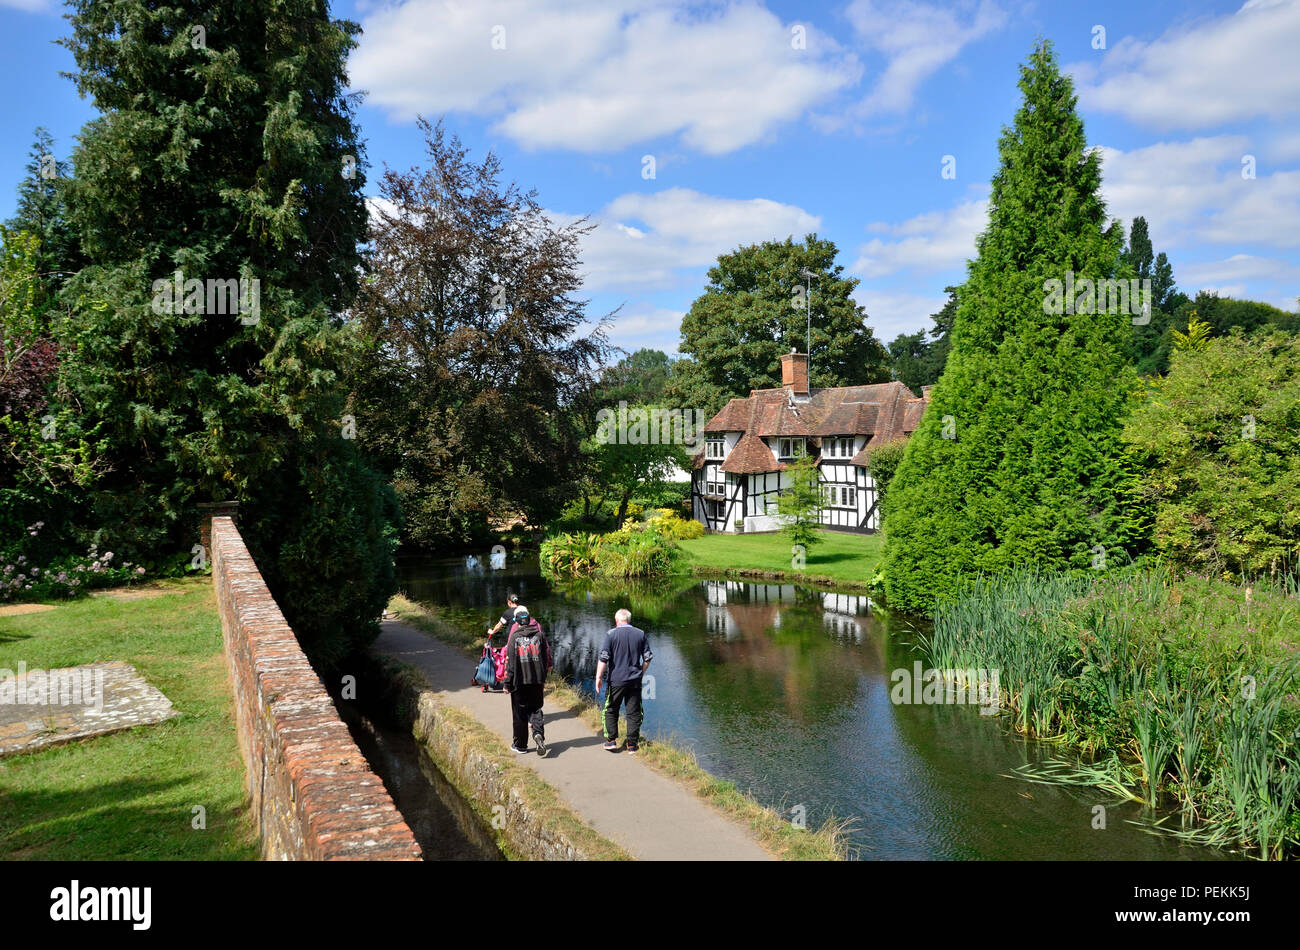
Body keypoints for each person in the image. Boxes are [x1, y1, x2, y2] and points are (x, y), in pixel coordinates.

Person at [594, 608, 653, 754]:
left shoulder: (611, 634)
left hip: (616, 681)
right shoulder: (640, 634)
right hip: (634, 681)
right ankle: (632, 744)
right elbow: (648, 658)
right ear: (629, 620)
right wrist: (641, 672)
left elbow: (603, 658)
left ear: (616, 620)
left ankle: (611, 741)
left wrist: (598, 677)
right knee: (634, 712)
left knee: (611, 709)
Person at [503, 605, 553, 756]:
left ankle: (521, 745)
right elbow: (545, 658)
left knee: (519, 714)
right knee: (536, 709)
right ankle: (538, 734)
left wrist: (507, 683)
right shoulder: (540, 636)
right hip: (536, 681)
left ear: (517, 623)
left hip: (519, 682)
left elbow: (510, 664)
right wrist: (543, 675)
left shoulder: (514, 638)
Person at [481, 593, 520, 693]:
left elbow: (499, 625)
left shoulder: (507, 613)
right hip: (525, 639)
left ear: (509, 602)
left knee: (507, 658)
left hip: (513, 640)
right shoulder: (524, 610)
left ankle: (507, 680)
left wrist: (492, 631)